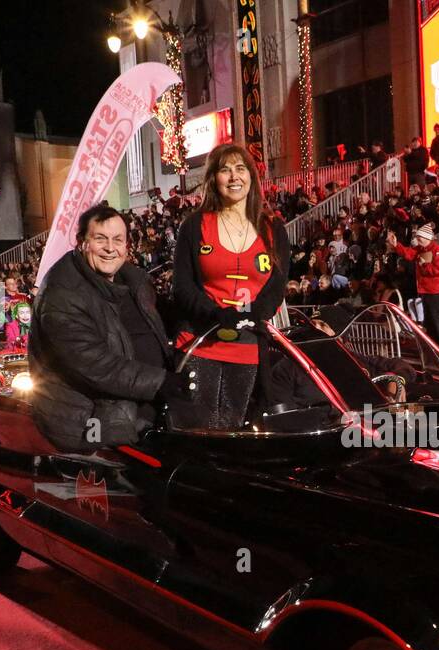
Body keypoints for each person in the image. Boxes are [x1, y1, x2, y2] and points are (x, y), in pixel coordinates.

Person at [28, 202, 176, 451]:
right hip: (90, 422)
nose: (110, 248)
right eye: (100, 239)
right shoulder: (62, 294)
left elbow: (160, 322)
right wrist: (161, 382)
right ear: (82, 242)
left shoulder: (134, 279)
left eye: (118, 240)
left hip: (144, 408)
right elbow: (96, 366)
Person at [168, 142, 290, 430]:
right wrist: (215, 313)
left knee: (234, 426)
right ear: (214, 179)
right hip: (200, 343)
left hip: (246, 346)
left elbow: (276, 287)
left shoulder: (273, 229)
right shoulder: (195, 226)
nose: (234, 177)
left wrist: (254, 313)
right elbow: (182, 287)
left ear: (251, 176)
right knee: (200, 428)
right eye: (225, 170)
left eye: (240, 169)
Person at [389, 224, 439, 348]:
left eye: (419, 237)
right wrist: (396, 245)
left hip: (436, 291)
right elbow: (408, 253)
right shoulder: (420, 250)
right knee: (428, 321)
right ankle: (434, 347)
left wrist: (424, 265)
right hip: (425, 291)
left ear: (426, 238)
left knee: (435, 321)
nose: (417, 240)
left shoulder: (438, 250)